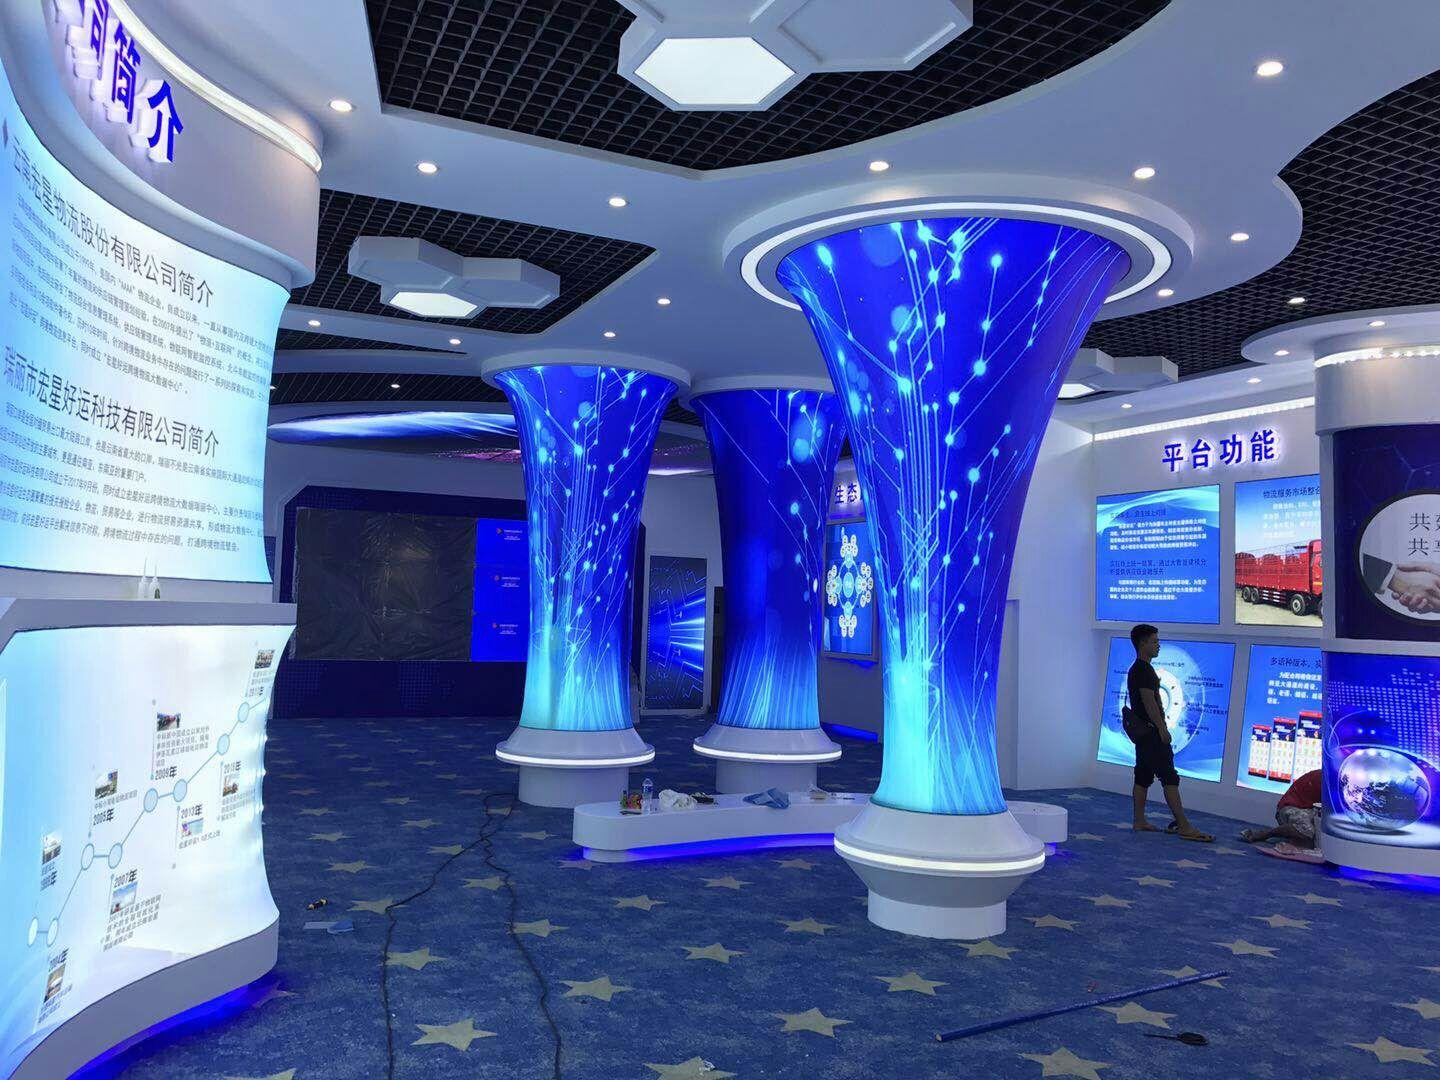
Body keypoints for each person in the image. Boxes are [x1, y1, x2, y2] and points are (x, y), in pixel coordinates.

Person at [1127, 624, 1213, 842]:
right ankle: (1183, 825)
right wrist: (1162, 729)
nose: (1158, 645)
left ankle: (1139, 820)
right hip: (1151, 734)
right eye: (1154, 641)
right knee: (1169, 777)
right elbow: (1150, 703)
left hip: (1143, 735)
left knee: (1143, 775)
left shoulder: (1137, 669)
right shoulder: (1144, 671)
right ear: (1143, 643)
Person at [1240, 768, 1321, 848]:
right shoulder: (1324, 779)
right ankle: (1264, 834)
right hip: (1290, 807)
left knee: (1311, 839)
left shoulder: (1325, 777)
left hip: (1309, 809)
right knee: (1307, 830)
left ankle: (1294, 836)